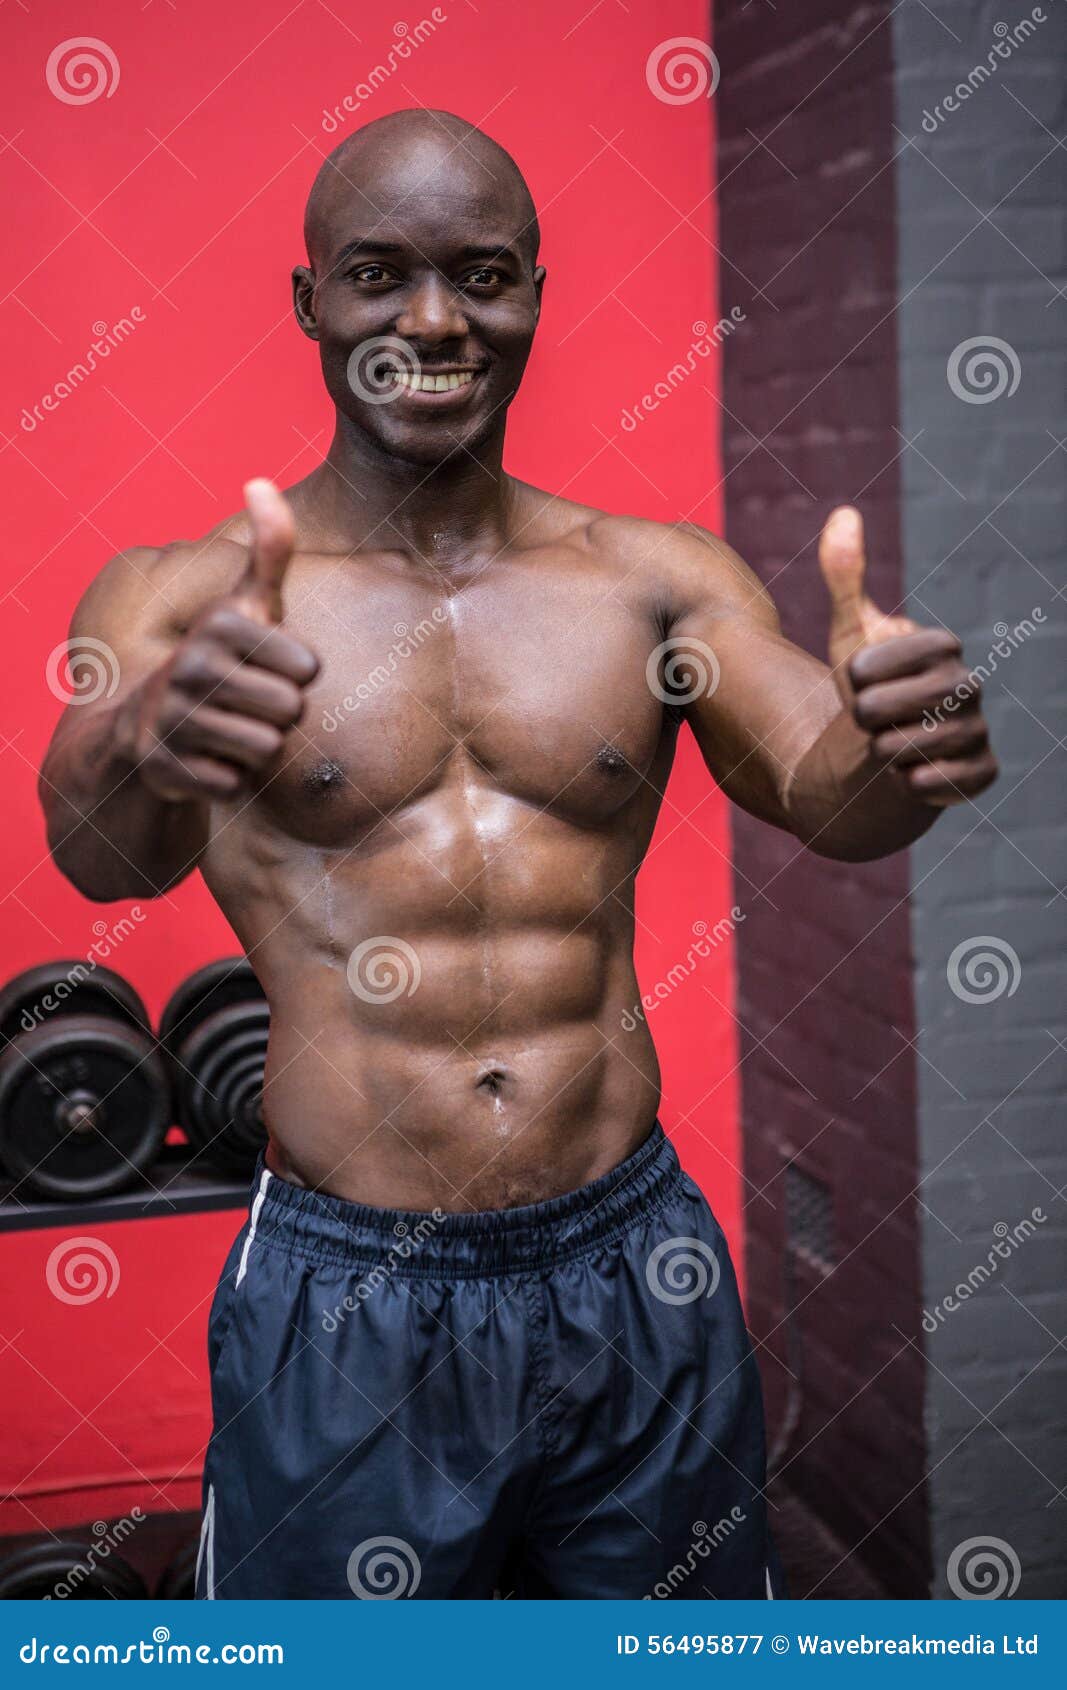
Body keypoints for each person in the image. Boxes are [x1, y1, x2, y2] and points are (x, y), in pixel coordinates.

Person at [39, 110, 996, 1600]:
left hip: (636, 1267)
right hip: (350, 1293)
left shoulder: (653, 581)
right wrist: (144, 734)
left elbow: (835, 796)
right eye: (379, 275)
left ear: (537, 293)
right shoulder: (178, 598)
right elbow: (100, 856)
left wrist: (901, 748)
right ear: (311, 303)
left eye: (482, 275)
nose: (434, 320)